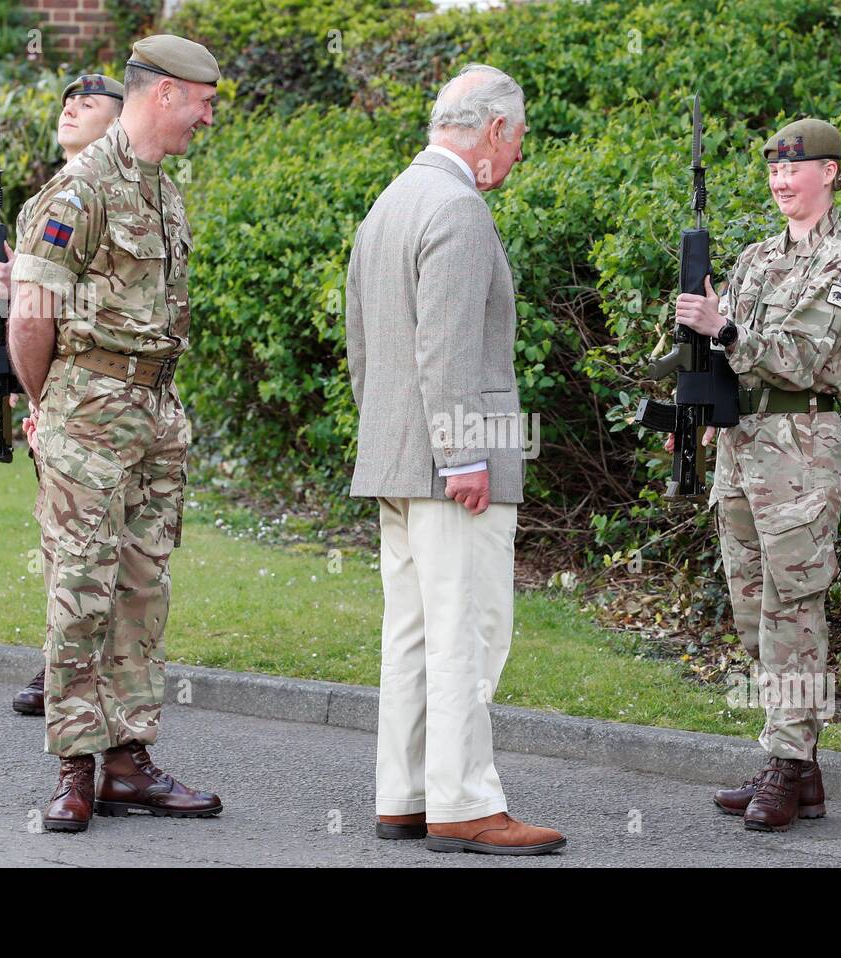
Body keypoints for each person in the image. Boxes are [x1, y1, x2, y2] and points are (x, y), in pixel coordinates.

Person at [345, 63, 565, 855]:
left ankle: (404, 794)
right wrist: (463, 453)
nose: (514, 160)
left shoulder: (389, 202)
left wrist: (397, 444)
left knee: (409, 635)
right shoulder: (459, 208)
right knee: (467, 631)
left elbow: (363, 350)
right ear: (495, 130)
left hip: (396, 462)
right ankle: (465, 802)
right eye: (518, 143)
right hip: (453, 468)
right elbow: (445, 349)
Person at [7, 35, 222, 833]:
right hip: (88, 419)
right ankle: (74, 767)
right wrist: (51, 409)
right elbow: (30, 320)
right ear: (164, 92)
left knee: (141, 586)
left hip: (154, 416)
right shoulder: (79, 190)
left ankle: (129, 761)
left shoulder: (163, 191)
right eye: (203, 101)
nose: (207, 117)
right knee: (81, 590)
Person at [671, 118, 841, 832]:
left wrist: (722, 328)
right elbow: (723, 358)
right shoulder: (757, 259)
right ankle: (799, 768)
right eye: (773, 171)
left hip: (800, 449)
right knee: (754, 609)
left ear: (831, 173)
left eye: (796, 169)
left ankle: (787, 765)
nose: (782, 181)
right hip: (742, 447)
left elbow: (795, 359)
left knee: (795, 605)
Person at [0, 73, 125, 718]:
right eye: (67, 103)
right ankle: (61, 667)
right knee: (64, 541)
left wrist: (25, 290)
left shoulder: (114, 195)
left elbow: (101, 304)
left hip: (95, 399)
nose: (71, 109)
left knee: (103, 544)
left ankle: (89, 679)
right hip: (54, 393)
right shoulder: (46, 201)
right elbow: (33, 310)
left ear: (121, 120)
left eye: (89, 104)